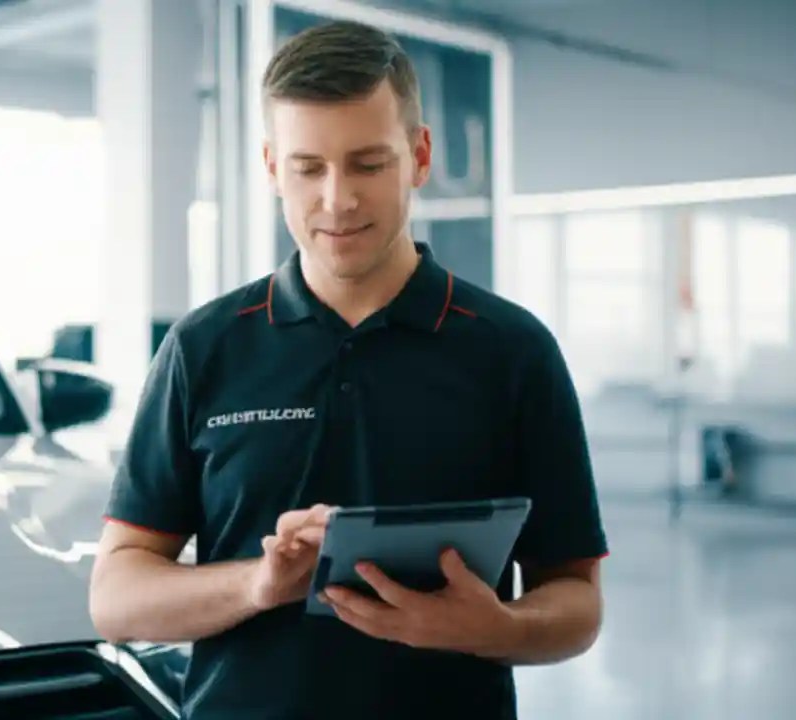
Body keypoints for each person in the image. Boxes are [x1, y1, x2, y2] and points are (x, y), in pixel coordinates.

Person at [89, 19, 608, 719]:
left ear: (419, 157)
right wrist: (258, 584)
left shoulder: (512, 352)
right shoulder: (203, 348)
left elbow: (576, 597)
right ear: (273, 167)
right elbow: (116, 598)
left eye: (368, 163)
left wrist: (497, 629)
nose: (337, 199)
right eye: (308, 168)